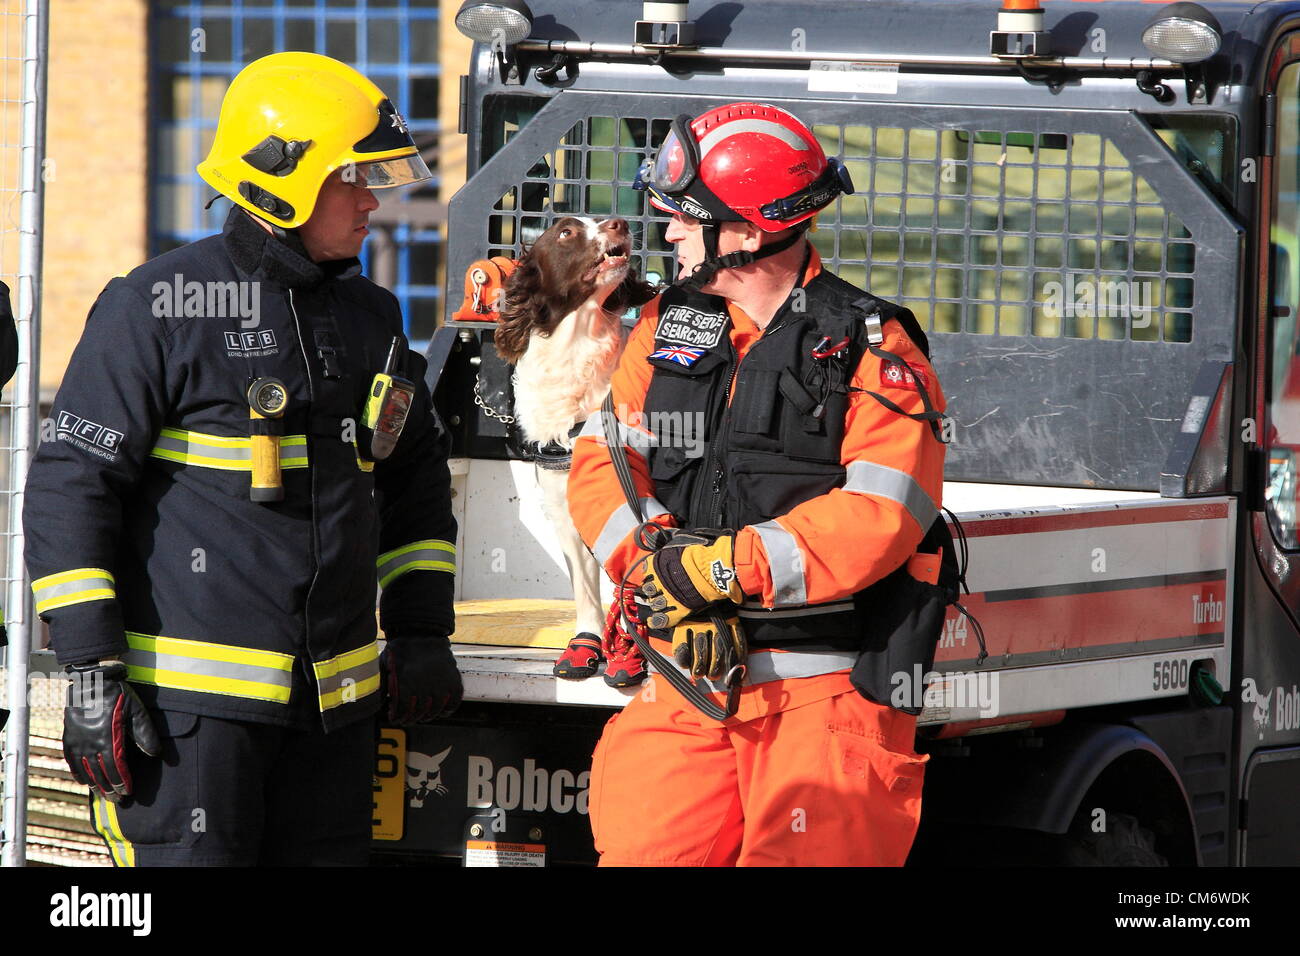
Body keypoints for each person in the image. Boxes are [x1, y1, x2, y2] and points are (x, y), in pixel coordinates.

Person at [24, 52, 460, 866]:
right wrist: (90, 671)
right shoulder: (157, 304)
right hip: (193, 730)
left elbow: (413, 481)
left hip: (337, 722)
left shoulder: (373, 316)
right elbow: (71, 486)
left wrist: (421, 627)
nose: (372, 202)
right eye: (350, 181)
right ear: (279, 180)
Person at [567, 102, 949, 866]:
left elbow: (885, 510)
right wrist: (660, 569)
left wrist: (723, 572)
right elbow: (602, 462)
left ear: (746, 232)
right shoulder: (666, 326)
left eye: (685, 216)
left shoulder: (872, 347)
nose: (668, 232)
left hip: (823, 701)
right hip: (683, 680)